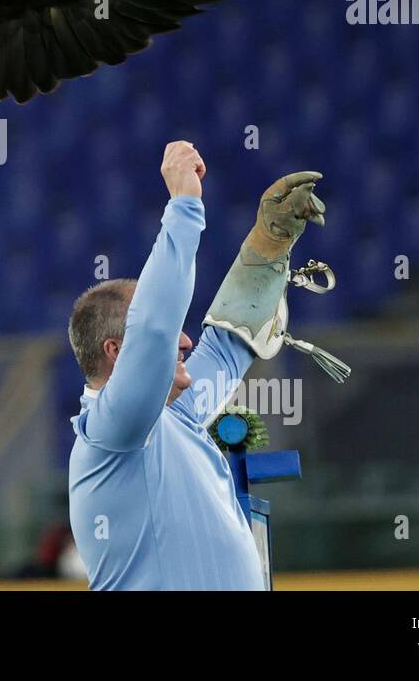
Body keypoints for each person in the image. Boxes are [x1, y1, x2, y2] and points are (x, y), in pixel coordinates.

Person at [67, 141, 327, 590]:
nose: (185, 340)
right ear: (116, 352)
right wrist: (185, 205)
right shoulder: (113, 430)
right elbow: (152, 325)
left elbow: (230, 341)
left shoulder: (176, 415)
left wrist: (270, 247)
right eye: (173, 336)